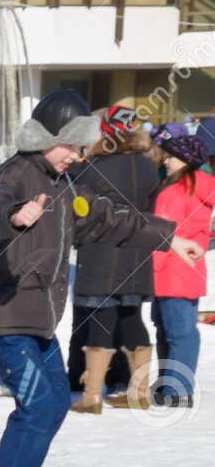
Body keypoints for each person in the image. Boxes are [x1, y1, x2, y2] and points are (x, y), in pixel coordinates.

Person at [0, 89, 201, 467]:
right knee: (39, 402)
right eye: (69, 145)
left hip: (35, 319)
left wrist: (169, 238)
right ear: (43, 138)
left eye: (80, 145)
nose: (76, 154)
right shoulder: (15, 176)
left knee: (51, 404)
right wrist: (13, 217)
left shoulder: (66, 186)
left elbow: (112, 218)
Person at [65, 108, 158, 414]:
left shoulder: (93, 167)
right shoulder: (147, 166)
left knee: (101, 318)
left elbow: (78, 207)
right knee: (132, 317)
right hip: (138, 251)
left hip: (102, 250)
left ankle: (92, 396)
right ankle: (139, 391)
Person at [137, 129, 215, 409]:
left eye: (171, 157)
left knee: (176, 332)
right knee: (176, 330)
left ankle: (177, 388)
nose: (166, 161)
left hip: (170, 271)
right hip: (188, 270)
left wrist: (149, 271)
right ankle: (171, 382)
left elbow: (161, 234)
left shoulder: (176, 191)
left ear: (185, 159)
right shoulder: (201, 187)